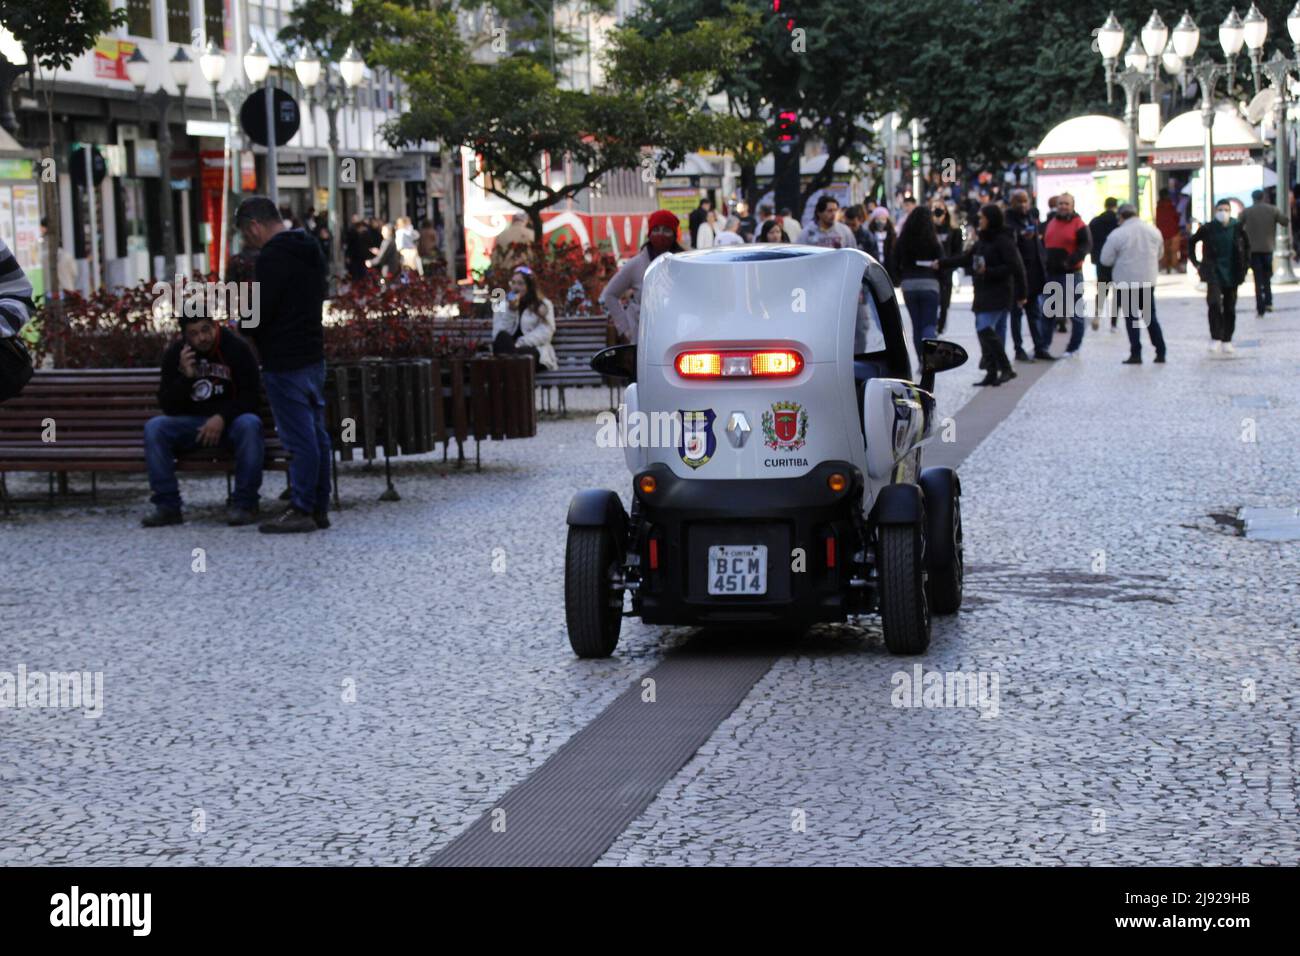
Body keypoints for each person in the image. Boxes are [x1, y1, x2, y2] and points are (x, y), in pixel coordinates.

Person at [234, 195, 332, 533]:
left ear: (255, 226)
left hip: (283, 359)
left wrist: (243, 317)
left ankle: (302, 507)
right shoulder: (310, 248)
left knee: (298, 436)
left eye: (248, 235)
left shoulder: (272, 257)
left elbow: (258, 313)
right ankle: (319, 504)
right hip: (313, 354)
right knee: (316, 432)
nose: (250, 242)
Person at [141, 315, 264, 527]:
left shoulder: (236, 348)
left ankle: (245, 504)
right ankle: (168, 507)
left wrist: (222, 418)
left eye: (206, 330)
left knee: (250, 424)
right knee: (155, 428)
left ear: (216, 326)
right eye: (194, 334)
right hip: (193, 424)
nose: (202, 338)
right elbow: (169, 407)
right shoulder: (176, 355)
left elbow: (252, 397)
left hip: (231, 423)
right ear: (185, 336)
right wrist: (186, 377)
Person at [941, 203, 1026, 387]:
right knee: (993, 333)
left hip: (998, 293)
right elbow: (966, 259)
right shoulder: (983, 241)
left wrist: (990, 272)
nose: (979, 220)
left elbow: (1014, 267)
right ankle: (992, 371)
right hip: (983, 292)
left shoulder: (1003, 240)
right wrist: (942, 263)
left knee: (984, 329)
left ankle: (1005, 368)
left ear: (991, 219)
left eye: (982, 217)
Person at [599, 209, 683, 341]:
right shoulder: (636, 264)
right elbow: (609, 295)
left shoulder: (684, 262)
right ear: (649, 234)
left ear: (674, 234)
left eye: (666, 230)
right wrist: (626, 329)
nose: (660, 235)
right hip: (643, 340)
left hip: (678, 336)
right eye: (656, 229)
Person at [1100, 203, 1167, 365]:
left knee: (1131, 318)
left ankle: (1136, 353)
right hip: (1147, 281)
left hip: (1126, 281)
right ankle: (1160, 351)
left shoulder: (1117, 234)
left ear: (1121, 216)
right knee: (1150, 316)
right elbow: (1160, 253)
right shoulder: (1153, 231)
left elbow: (1105, 260)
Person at [1189, 198, 1250, 355]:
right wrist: (1197, 263)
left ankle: (1227, 339)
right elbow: (1192, 242)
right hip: (1213, 272)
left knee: (1230, 307)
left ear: (1230, 211)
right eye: (1220, 209)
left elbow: (1247, 247)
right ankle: (1215, 336)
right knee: (1214, 303)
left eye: (1226, 209)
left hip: (1232, 272)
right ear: (1216, 211)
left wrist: (1245, 266)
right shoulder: (1208, 228)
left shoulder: (1236, 227)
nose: (1223, 213)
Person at [889, 205, 944, 366]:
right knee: (929, 324)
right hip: (929, 284)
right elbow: (942, 262)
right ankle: (930, 358)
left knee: (916, 325)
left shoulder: (903, 239)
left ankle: (921, 360)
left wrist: (899, 278)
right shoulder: (933, 240)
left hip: (909, 285)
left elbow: (894, 260)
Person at [1041, 192, 1091, 357]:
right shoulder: (1051, 222)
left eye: (1066, 204)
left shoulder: (1079, 224)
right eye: (1060, 203)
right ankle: (1044, 346)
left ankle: (1073, 347)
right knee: (1048, 312)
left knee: (1074, 313)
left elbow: (1086, 246)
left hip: (1071, 274)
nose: (1063, 206)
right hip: (1052, 274)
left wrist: (1069, 261)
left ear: (1072, 206)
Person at [1005, 189, 1050, 361]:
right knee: (1016, 315)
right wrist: (1021, 236)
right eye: (1019, 201)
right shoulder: (1008, 222)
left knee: (1034, 313)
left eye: (1025, 201)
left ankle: (1039, 347)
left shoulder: (1030, 218)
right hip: (1018, 277)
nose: (1023, 205)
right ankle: (1019, 349)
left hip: (1033, 276)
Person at [492, 265, 558, 371]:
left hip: (533, 350)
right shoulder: (502, 305)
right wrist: (511, 311)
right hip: (506, 351)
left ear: (529, 286)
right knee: (502, 338)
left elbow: (546, 332)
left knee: (519, 356)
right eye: (513, 283)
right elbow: (497, 334)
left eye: (520, 283)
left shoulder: (543, 305)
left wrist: (520, 343)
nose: (516, 287)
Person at [1238, 189, 1286, 317]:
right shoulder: (1272, 210)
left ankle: (1260, 307)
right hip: (1268, 248)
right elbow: (1284, 221)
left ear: (1252, 198)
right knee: (1267, 277)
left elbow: (1238, 226)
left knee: (1257, 279)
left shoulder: (1246, 212)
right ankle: (1268, 302)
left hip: (1253, 250)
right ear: (1263, 197)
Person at [1088, 197, 1120, 331]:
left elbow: (1090, 241)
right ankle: (1114, 323)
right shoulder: (1119, 222)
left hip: (1101, 261)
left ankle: (1097, 316)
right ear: (1115, 206)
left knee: (1102, 290)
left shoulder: (1095, 222)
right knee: (1118, 292)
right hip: (1117, 261)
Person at [932, 203, 964, 335]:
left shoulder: (954, 230)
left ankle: (941, 324)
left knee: (945, 301)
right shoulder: (930, 230)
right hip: (932, 270)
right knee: (934, 299)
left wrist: (952, 264)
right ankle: (934, 324)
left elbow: (958, 251)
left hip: (947, 269)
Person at [1155, 188, 1182, 273]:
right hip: (1173, 232)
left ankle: (1164, 268)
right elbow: (1176, 218)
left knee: (1164, 252)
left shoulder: (1158, 207)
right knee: (1174, 251)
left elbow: (1158, 221)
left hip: (1162, 233)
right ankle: (1173, 267)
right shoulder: (1171, 206)